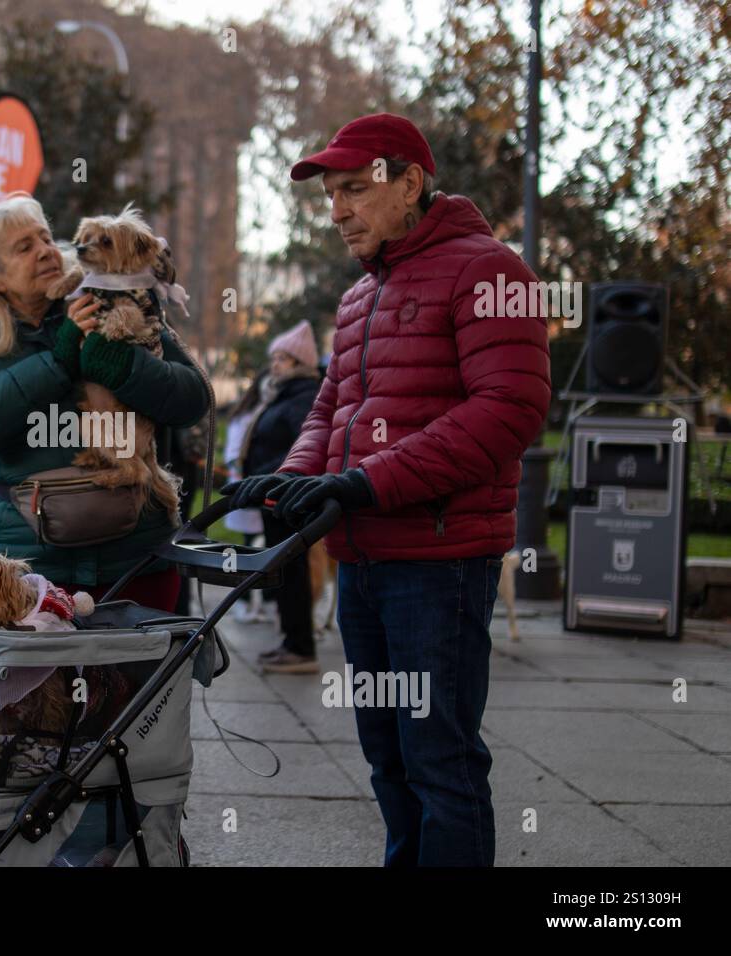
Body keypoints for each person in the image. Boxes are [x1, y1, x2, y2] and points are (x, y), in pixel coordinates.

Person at [225, 113, 550, 866]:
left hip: (439, 563)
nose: (337, 210)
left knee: (439, 757)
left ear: (410, 184)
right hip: (364, 559)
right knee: (387, 755)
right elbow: (332, 406)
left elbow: (508, 412)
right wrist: (296, 477)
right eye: (330, 195)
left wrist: (368, 481)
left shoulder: (491, 272)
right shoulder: (359, 298)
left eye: (354, 190)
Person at [0, 194, 210, 612]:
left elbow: (192, 398)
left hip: (135, 554)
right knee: (38, 679)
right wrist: (56, 362)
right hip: (27, 561)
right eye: (24, 247)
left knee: (143, 676)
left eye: (45, 238)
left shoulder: (112, 293)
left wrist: (121, 366)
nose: (46, 250)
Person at [238, 322, 323, 673]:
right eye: (274, 358)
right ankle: (291, 641)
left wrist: (266, 476)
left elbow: (300, 447)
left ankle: (301, 647)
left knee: (292, 571)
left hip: (287, 496)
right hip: (277, 496)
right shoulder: (285, 393)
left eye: (282, 358)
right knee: (285, 571)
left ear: (299, 362)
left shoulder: (302, 394)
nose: (275, 364)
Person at [223, 372, 269, 624]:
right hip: (248, 490)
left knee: (257, 548)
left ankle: (260, 603)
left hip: (254, 490)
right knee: (249, 549)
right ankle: (245, 602)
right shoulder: (245, 417)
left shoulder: (247, 414)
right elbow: (234, 452)